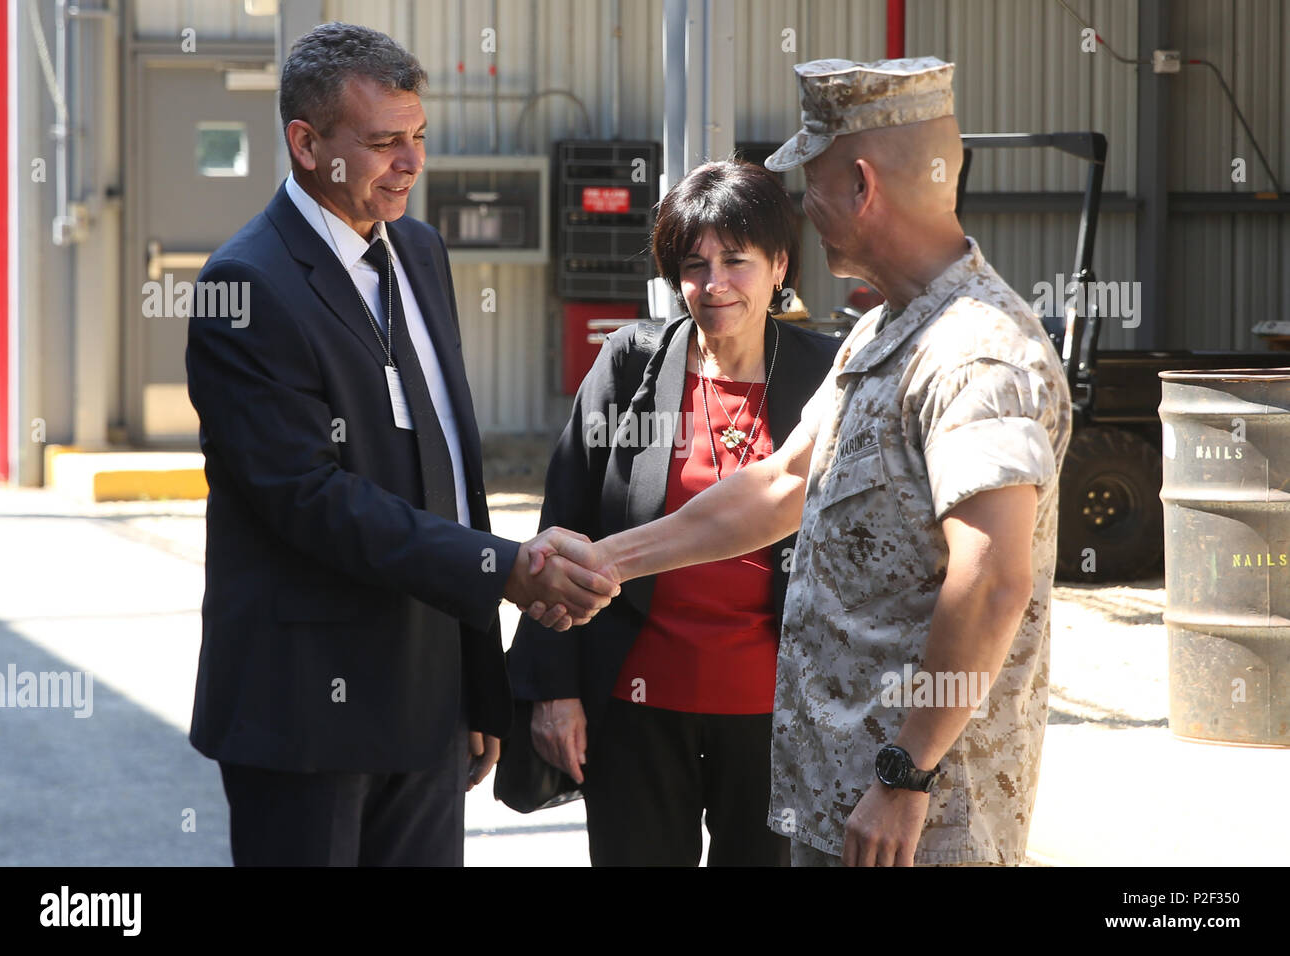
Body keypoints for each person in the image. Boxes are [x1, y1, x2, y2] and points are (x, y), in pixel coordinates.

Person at [526, 57, 1073, 867]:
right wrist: (607, 563)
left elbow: (992, 580)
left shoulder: (977, 354)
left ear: (860, 184)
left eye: (809, 183)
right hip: (837, 795)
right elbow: (781, 484)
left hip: (919, 820)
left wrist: (907, 770)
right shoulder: (885, 331)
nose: (803, 208)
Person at [184, 21, 615, 867]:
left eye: (418, 137)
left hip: (427, 708)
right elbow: (309, 499)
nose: (412, 164)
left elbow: (448, 469)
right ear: (305, 144)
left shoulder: (418, 251)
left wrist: (477, 684)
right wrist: (505, 568)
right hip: (305, 714)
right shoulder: (245, 287)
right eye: (384, 143)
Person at [507, 160, 840, 866]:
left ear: (780, 265)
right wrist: (554, 691)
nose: (713, 283)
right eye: (694, 264)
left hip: (776, 717)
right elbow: (562, 524)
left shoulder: (827, 374)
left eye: (736, 261)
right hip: (635, 706)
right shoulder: (631, 365)